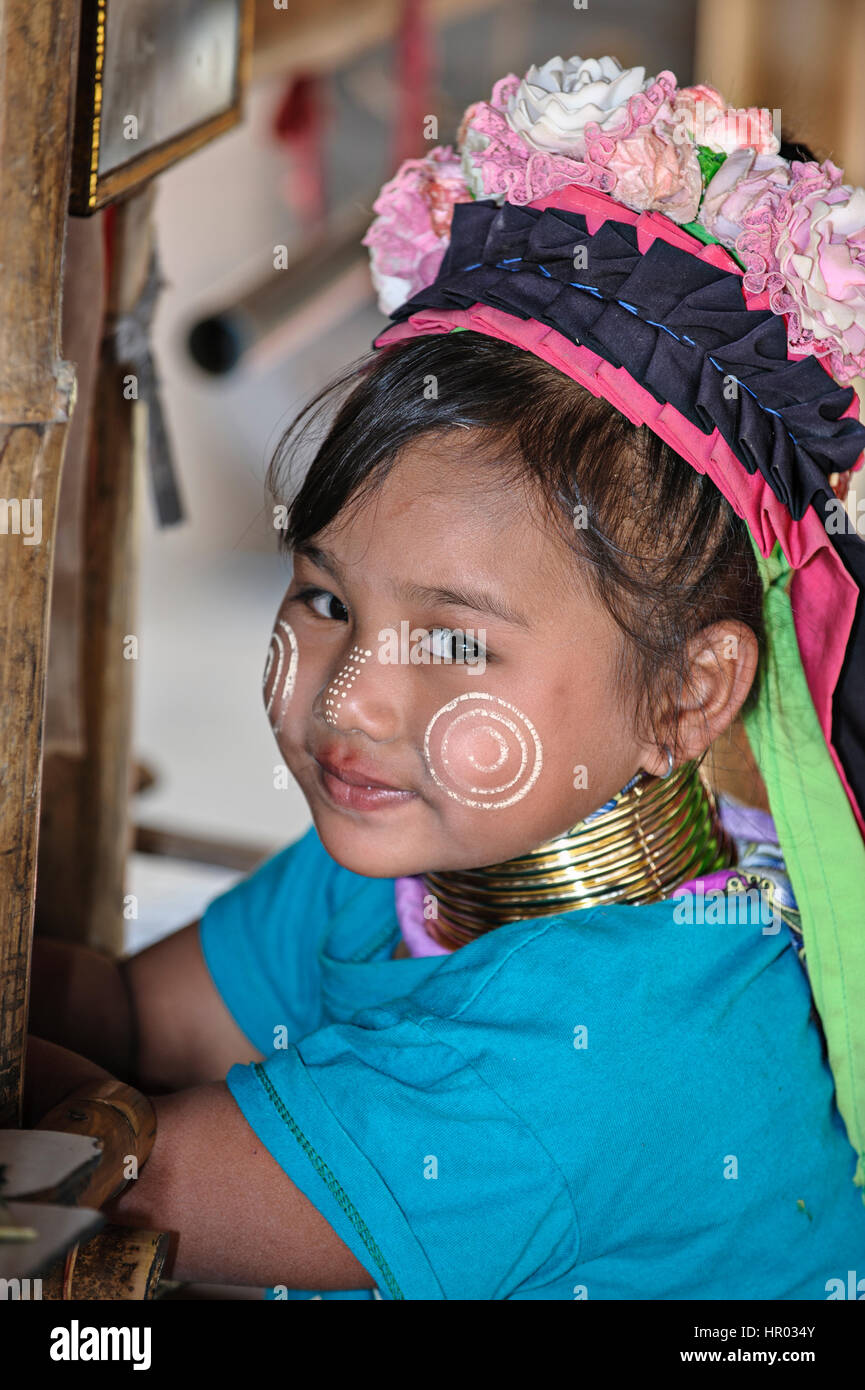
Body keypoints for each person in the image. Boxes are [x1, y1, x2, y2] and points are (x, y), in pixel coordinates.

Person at [27, 53, 865, 1299]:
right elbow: (145, 1026)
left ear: (687, 696)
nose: (351, 693)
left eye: (457, 642)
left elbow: (108, 1190)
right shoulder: (425, 854)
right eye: (324, 597)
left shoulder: (603, 1060)